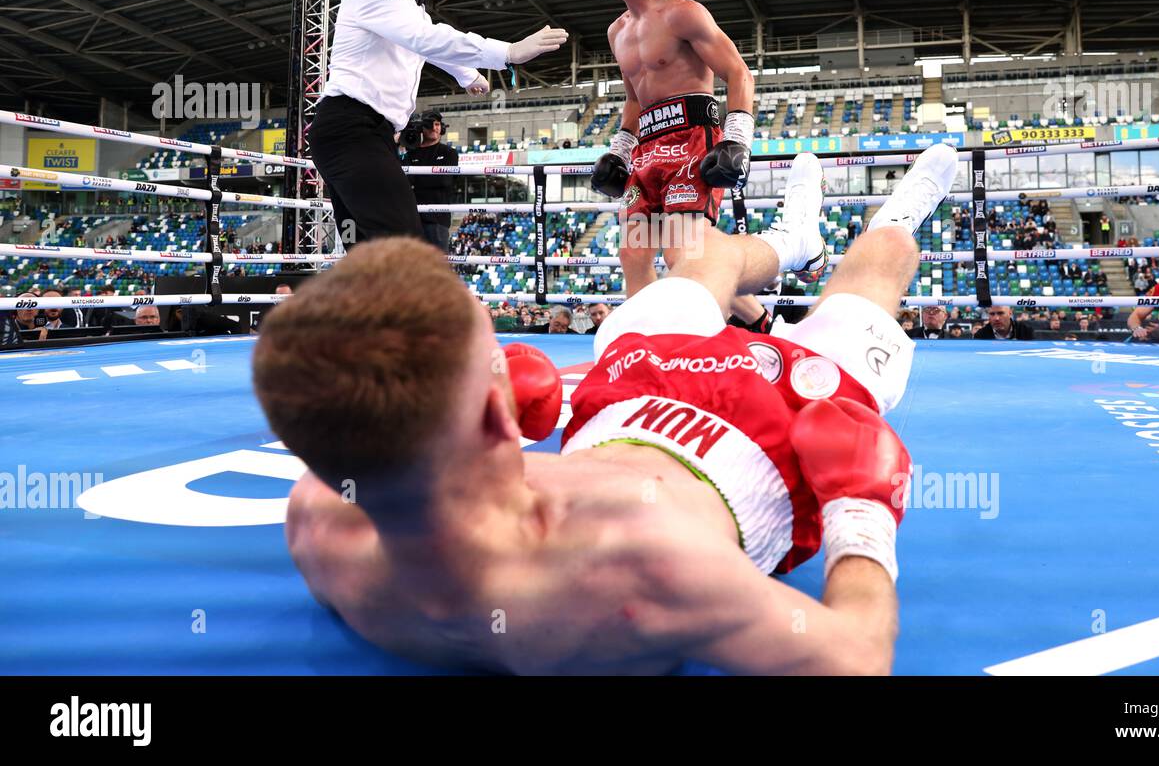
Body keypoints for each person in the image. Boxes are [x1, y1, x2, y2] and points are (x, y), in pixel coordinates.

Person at [253, 143, 959, 675]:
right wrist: (860, 508)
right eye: (500, 359)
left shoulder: (321, 518)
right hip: (771, 450)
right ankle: (901, 207)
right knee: (883, 256)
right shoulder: (640, 568)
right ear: (506, 418)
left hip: (625, 399)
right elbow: (855, 655)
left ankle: (790, 240)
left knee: (703, 252)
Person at [588, 0, 802, 336]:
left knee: (681, 252)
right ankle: (649, 347)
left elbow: (738, 73)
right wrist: (618, 150)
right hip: (646, 148)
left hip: (692, 139)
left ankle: (748, 325)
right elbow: (634, 99)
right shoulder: (617, 31)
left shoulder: (683, 13)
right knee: (633, 254)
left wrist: (737, 139)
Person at [311, 0, 567, 250]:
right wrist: (508, 52)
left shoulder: (407, 8)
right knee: (405, 248)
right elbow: (425, 39)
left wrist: (466, 74)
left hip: (358, 133)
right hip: (352, 131)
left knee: (367, 254)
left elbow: (425, 43)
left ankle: (361, 304)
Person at [400, 111, 458, 250]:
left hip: (437, 219)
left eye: (437, 124)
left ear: (442, 128)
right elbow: (404, 183)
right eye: (429, 124)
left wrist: (417, 180)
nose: (434, 128)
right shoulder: (410, 153)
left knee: (436, 266)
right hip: (413, 218)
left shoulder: (449, 153)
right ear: (421, 128)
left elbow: (444, 181)